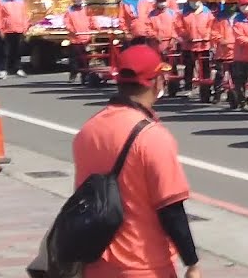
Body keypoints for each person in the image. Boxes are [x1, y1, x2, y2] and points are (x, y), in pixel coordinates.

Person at [72, 45, 201, 278]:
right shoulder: (152, 137)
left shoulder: (89, 130)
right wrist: (191, 262)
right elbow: (171, 209)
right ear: (155, 82)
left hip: (95, 263)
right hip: (144, 264)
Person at [0, 0, 31, 78]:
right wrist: (0, 29)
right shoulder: (2, 1)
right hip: (7, 30)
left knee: (17, 51)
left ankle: (18, 68)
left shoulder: (20, 0)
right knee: (6, 51)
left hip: (19, 29)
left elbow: (24, 15)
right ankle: (4, 69)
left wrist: (25, 27)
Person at [64, 0, 93, 83]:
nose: (79, 1)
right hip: (75, 39)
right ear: (74, 0)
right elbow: (67, 22)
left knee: (85, 58)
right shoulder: (70, 10)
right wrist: (72, 30)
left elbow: (92, 19)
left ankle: (85, 76)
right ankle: (73, 73)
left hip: (86, 37)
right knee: (74, 59)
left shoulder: (86, 9)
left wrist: (95, 27)